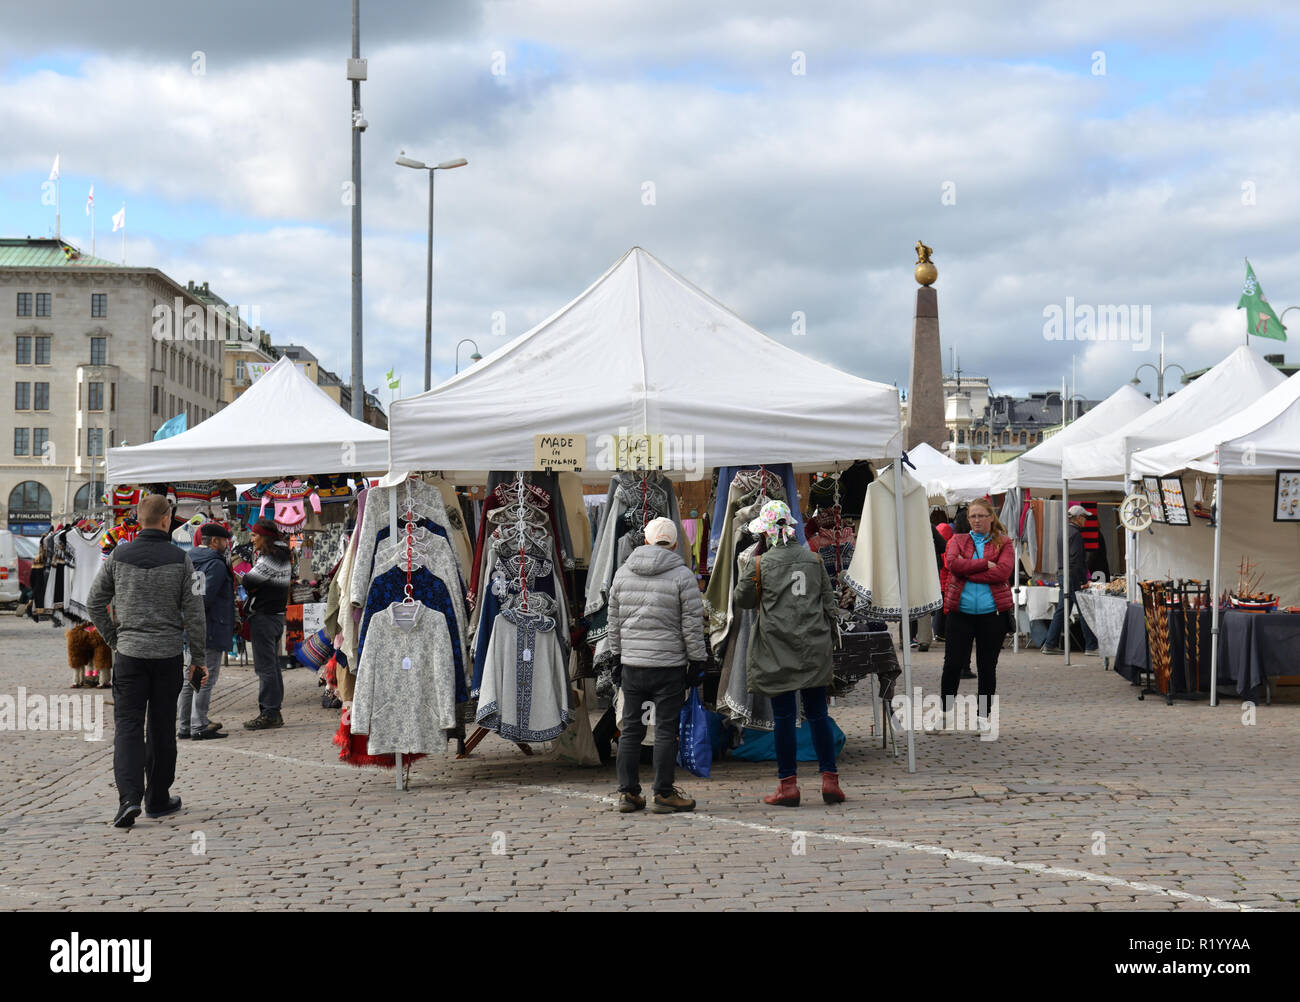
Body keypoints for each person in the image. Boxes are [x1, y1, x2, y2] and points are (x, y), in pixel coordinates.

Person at [86, 493, 208, 828]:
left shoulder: (118, 556)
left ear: (138, 519)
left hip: (129, 655)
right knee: (161, 727)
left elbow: (94, 603)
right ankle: (156, 798)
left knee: (127, 725)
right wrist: (198, 657)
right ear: (167, 519)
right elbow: (195, 613)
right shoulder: (180, 559)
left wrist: (115, 638)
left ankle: (128, 799)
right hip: (167, 655)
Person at [733, 499, 842, 807]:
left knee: (784, 717)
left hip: (776, 648)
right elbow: (828, 603)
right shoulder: (814, 560)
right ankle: (829, 779)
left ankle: (788, 786)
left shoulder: (760, 564)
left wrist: (753, 562)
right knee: (818, 714)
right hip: (814, 647)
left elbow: (742, 600)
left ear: (766, 533)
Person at [608, 516, 708, 814]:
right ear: (675, 544)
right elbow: (692, 625)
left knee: (631, 730)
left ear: (646, 541)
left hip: (633, 665)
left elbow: (614, 622)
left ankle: (628, 793)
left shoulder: (623, 573)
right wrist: (697, 660)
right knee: (666, 730)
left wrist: (616, 656)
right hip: (668, 665)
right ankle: (663, 793)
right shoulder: (682, 575)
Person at [937, 497, 1015, 733]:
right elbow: (953, 565)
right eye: (973, 516)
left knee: (987, 667)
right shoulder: (957, 540)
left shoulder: (1004, 542)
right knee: (952, 665)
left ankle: (983, 717)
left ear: (991, 517)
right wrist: (985, 564)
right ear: (967, 519)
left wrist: (969, 569)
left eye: (982, 516)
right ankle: (945, 715)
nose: (977, 520)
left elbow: (1002, 573)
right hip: (961, 613)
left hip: (992, 615)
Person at [179, 522, 234, 740]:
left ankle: (184, 725)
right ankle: (199, 725)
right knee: (204, 677)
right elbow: (206, 597)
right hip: (210, 626)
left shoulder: (188, 558)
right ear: (214, 541)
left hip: (192, 626)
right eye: (224, 541)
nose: (226, 544)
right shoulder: (216, 564)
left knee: (189, 677)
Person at [242, 518, 292, 730]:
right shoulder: (279, 555)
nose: (251, 540)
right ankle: (273, 711)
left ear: (265, 537)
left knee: (265, 667)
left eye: (254, 535)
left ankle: (270, 712)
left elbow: (248, 582)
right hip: (273, 615)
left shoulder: (273, 557)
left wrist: (247, 581)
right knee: (271, 665)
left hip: (265, 616)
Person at [1042, 504, 1099, 655]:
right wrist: (1083, 580)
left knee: (1062, 610)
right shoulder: (1075, 534)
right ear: (1078, 518)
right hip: (1072, 575)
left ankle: (1050, 644)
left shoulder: (1064, 532)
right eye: (1084, 517)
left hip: (1063, 574)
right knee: (1084, 609)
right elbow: (1076, 559)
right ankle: (1091, 646)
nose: (1086, 520)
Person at [932, 509, 955, 642]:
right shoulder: (947, 547)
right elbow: (948, 566)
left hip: (936, 581)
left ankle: (937, 632)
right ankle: (940, 632)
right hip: (944, 583)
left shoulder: (934, 546)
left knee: (937, 609)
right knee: (942, 610)